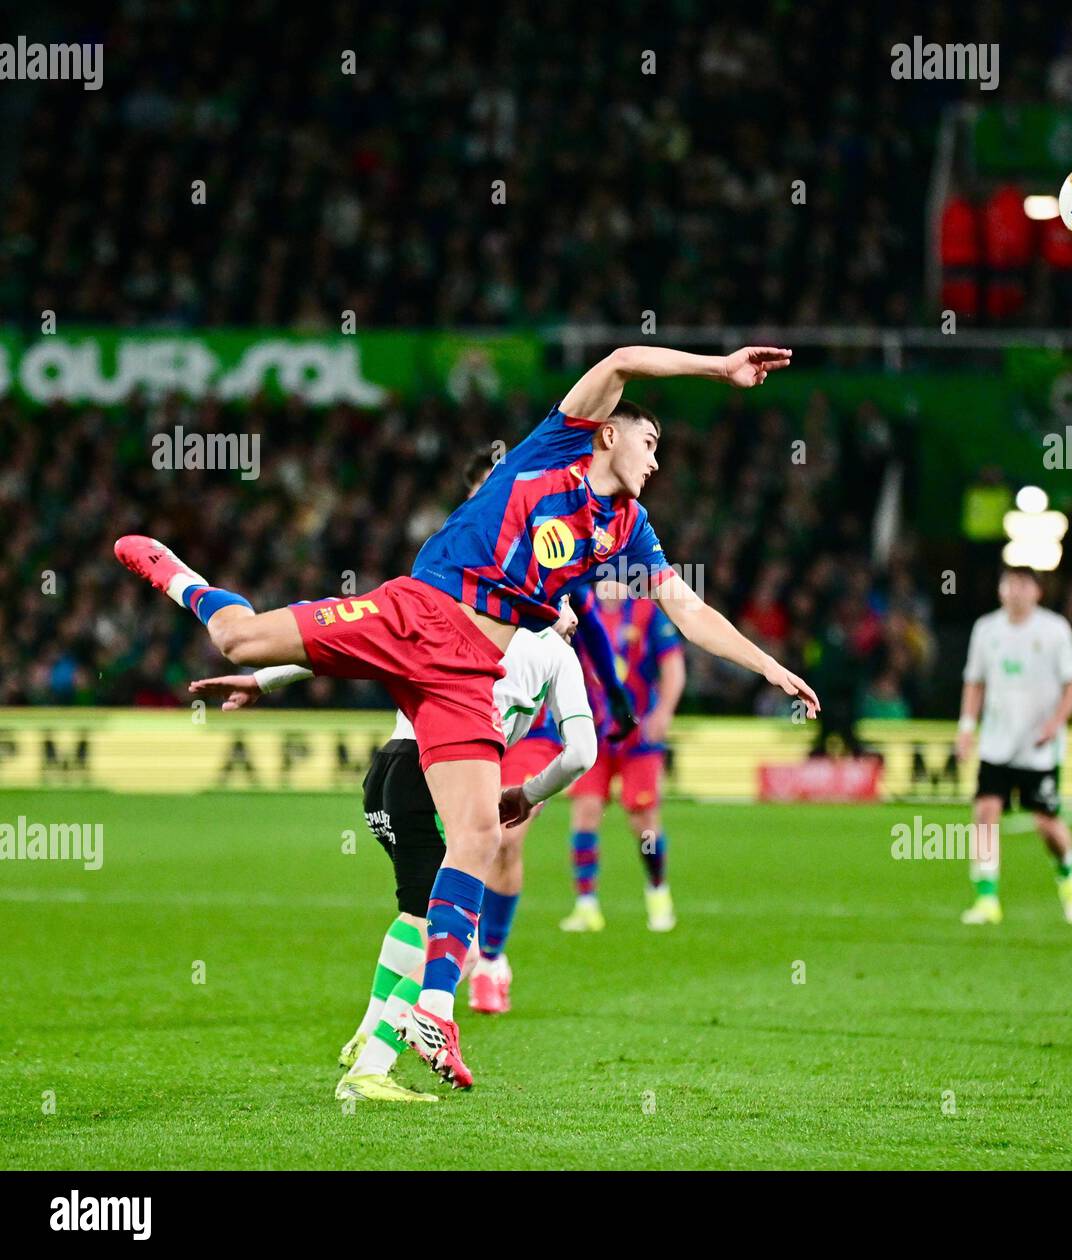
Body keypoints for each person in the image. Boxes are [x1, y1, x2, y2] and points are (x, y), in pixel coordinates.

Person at [114, 342, 820, 1091]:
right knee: (238, 635)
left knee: (481, 832)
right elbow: (620, 359)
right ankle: (174, 569)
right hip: (418, 613)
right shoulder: (561, 443)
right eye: (650, 443)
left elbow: (688, 611)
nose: (656, 460)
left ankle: (436, 1008)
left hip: (467, 675)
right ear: (610, 431)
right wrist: (719, 369)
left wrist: (772, 667)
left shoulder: (628, 532)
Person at [190, 594, 595, 1102]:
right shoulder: (557, 656)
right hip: (428, 779)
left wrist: (262, 679)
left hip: (387, 775)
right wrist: (527, 794)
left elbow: (340, 639)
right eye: (565, 600)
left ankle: (365, 1031)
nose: (575, 615)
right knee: (458, 949)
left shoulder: (446, 618)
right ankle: (370, 1069)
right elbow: (581, 752)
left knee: (416, 915)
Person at [954, 566, 1072, 925]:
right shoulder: (986, 630)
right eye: (1009, 583)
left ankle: (1069, 875)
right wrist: (967, 728)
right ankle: (986, 900)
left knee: (1047, 825)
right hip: (996, 743)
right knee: (985, 814)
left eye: (1023, 584)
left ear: (1037, 592)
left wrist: (1056, 722)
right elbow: (975, 682)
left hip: (1038, 746)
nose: (1015, 591)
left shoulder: (1054, 630)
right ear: (1000, 590)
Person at [562, 586, 686, 933]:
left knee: (644, 822)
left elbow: (673, 666)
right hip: (594, 733)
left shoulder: (648, 614)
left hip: (639, 734)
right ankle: (586, 905)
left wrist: (664, 713)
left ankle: (658, 894)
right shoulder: (580, 611)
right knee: (585, 812)